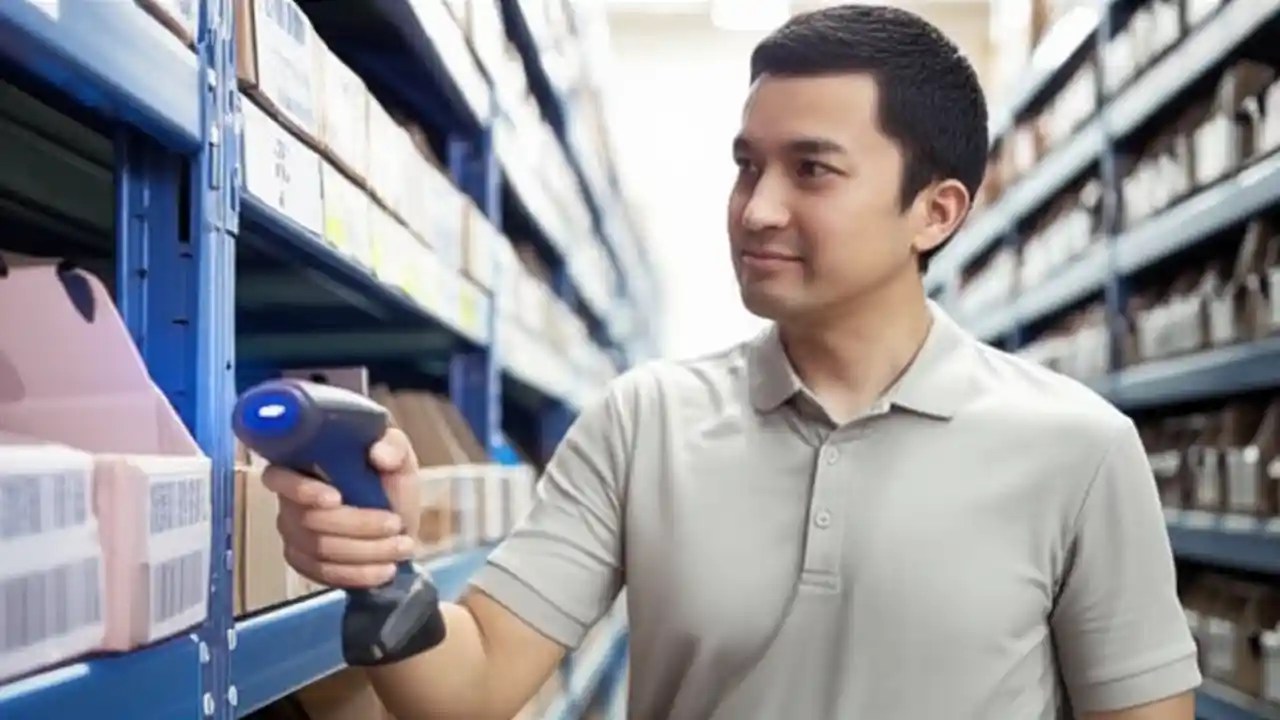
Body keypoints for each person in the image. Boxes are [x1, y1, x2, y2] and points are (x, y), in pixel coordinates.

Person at [264, 5, 1201, 719]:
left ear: (937, 211)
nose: (756, 209)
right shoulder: (644, 423)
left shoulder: (1077, 448)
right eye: (747, 165)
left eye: (812, 170)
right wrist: (377, 567)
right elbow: (469, 689)